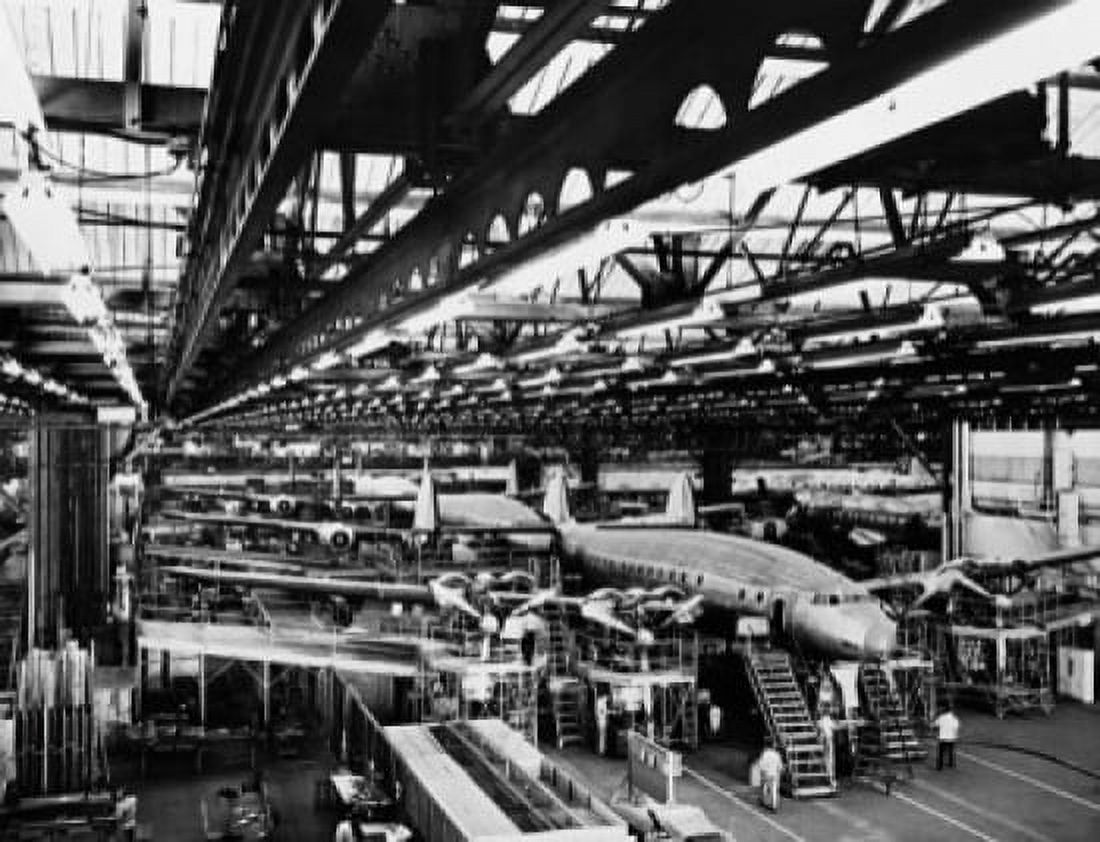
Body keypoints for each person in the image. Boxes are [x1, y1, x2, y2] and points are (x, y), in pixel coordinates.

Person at [757, 745, 784, 811]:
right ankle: (774, 805)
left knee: (765, 788)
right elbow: (780, 766)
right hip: (775, 774)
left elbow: (761, 765)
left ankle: (766, 802)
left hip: (767, 774)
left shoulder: (764, 754)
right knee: (774, 790)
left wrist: (763, 773)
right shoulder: (777, 754)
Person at [933, 705, 959, 770]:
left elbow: (935, 724)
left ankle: (939, 765)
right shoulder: (954, 718)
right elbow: (956, 728)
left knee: (940, 751)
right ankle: (951, 763)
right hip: (952, 738)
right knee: (951, 750)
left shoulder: (941, 717)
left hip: (942, 738)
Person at [818, 711, 836, 785]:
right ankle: (829, 778)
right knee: (829, 760)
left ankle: (829, 777)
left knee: (828, 760)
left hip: (827, 740)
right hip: (827, 740)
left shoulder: (823, 721)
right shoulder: (825, 721)